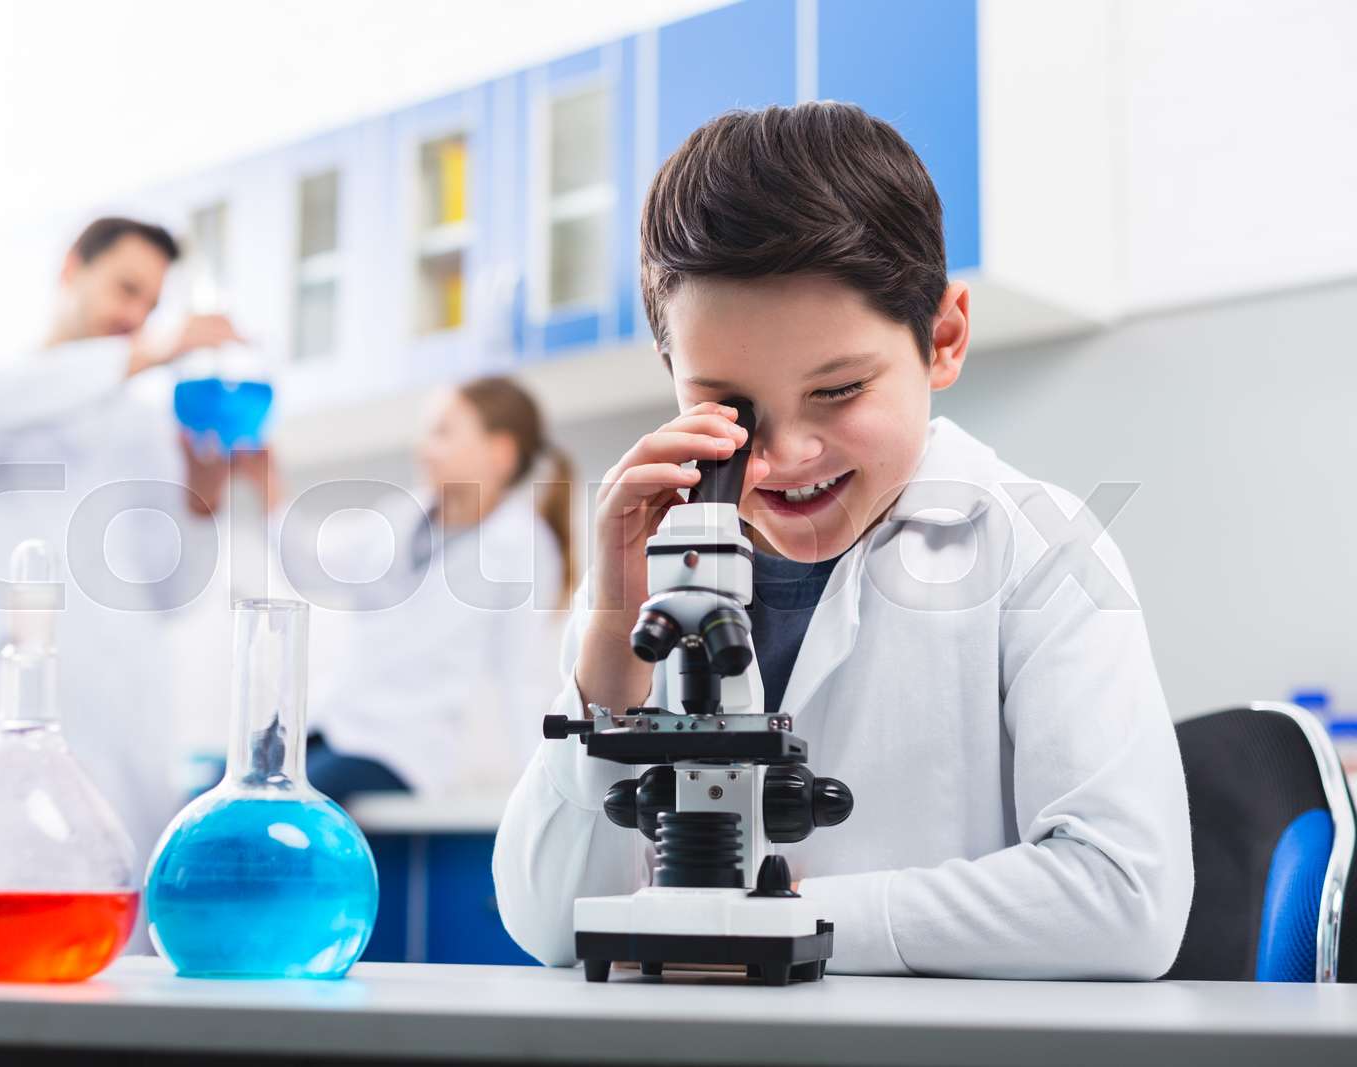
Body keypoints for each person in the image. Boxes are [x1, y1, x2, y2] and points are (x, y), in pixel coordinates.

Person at [492, 102, 1194, 980]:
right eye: (731, 406)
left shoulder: (1040, 549)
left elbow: (1125, 898)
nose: (785, 455)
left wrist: (778, 921)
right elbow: (550, 923)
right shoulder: (655, 582)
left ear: (943, 337)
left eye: (838, 391)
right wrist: (607, 655)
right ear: (672, 375)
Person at [0, 217, 240, 963]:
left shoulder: (146, 427)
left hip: (121, 720)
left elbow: (170, 592)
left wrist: (204, 499)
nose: (135, 315)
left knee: (113, 970)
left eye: (150, 305)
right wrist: (149, 351)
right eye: (126, 289)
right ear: (72, 268)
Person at [187, 376, 574, 805]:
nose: (423, 447)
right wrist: (268, 487)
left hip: (404, 750)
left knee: (276, 807)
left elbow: (520, 677)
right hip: (335, 727)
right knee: (210, 798)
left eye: (442, 432)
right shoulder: (404, 514)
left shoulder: (522, 546)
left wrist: (543, 796)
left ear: (499, 453)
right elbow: (315, 569)